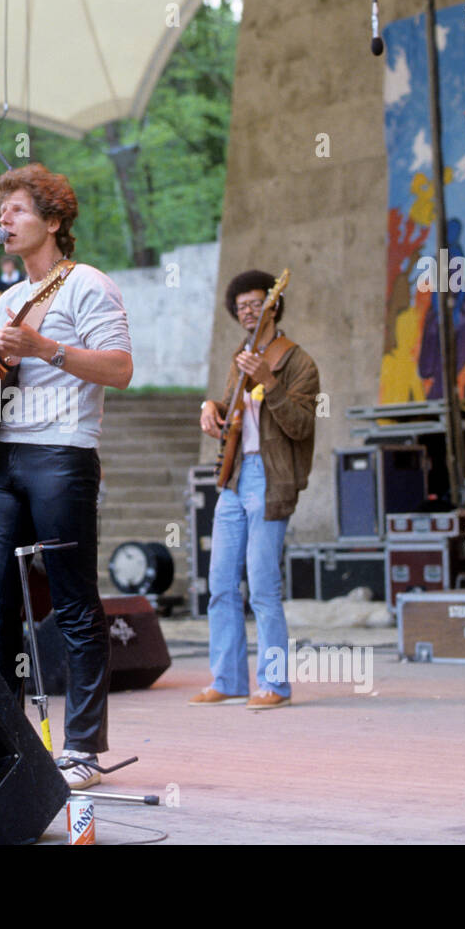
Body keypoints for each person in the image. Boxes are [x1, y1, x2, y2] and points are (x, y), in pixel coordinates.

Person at [0, 163, 132, 789]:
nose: (5, 220)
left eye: (18, 210)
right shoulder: (6, 300)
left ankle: (82, 748)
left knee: (73, 600)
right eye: (2, 211)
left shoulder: (88, 286)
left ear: (53, 221)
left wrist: (47, 349)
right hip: (8, 459)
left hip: (63, 455)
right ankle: (1, 740)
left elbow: (122, 369)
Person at [194, 270, 319, 709]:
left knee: (263, 585)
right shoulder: (238, 357)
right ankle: (227, 679)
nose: (248, 311)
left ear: (273, 304)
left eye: (255, 303)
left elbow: (302, 425)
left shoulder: (298, 361)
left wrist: (270, 379)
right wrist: (211, 408)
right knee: (221, 582)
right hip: (233, 477)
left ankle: (275, 684)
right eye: (241, 306)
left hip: (270, 477)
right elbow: (233, 412)